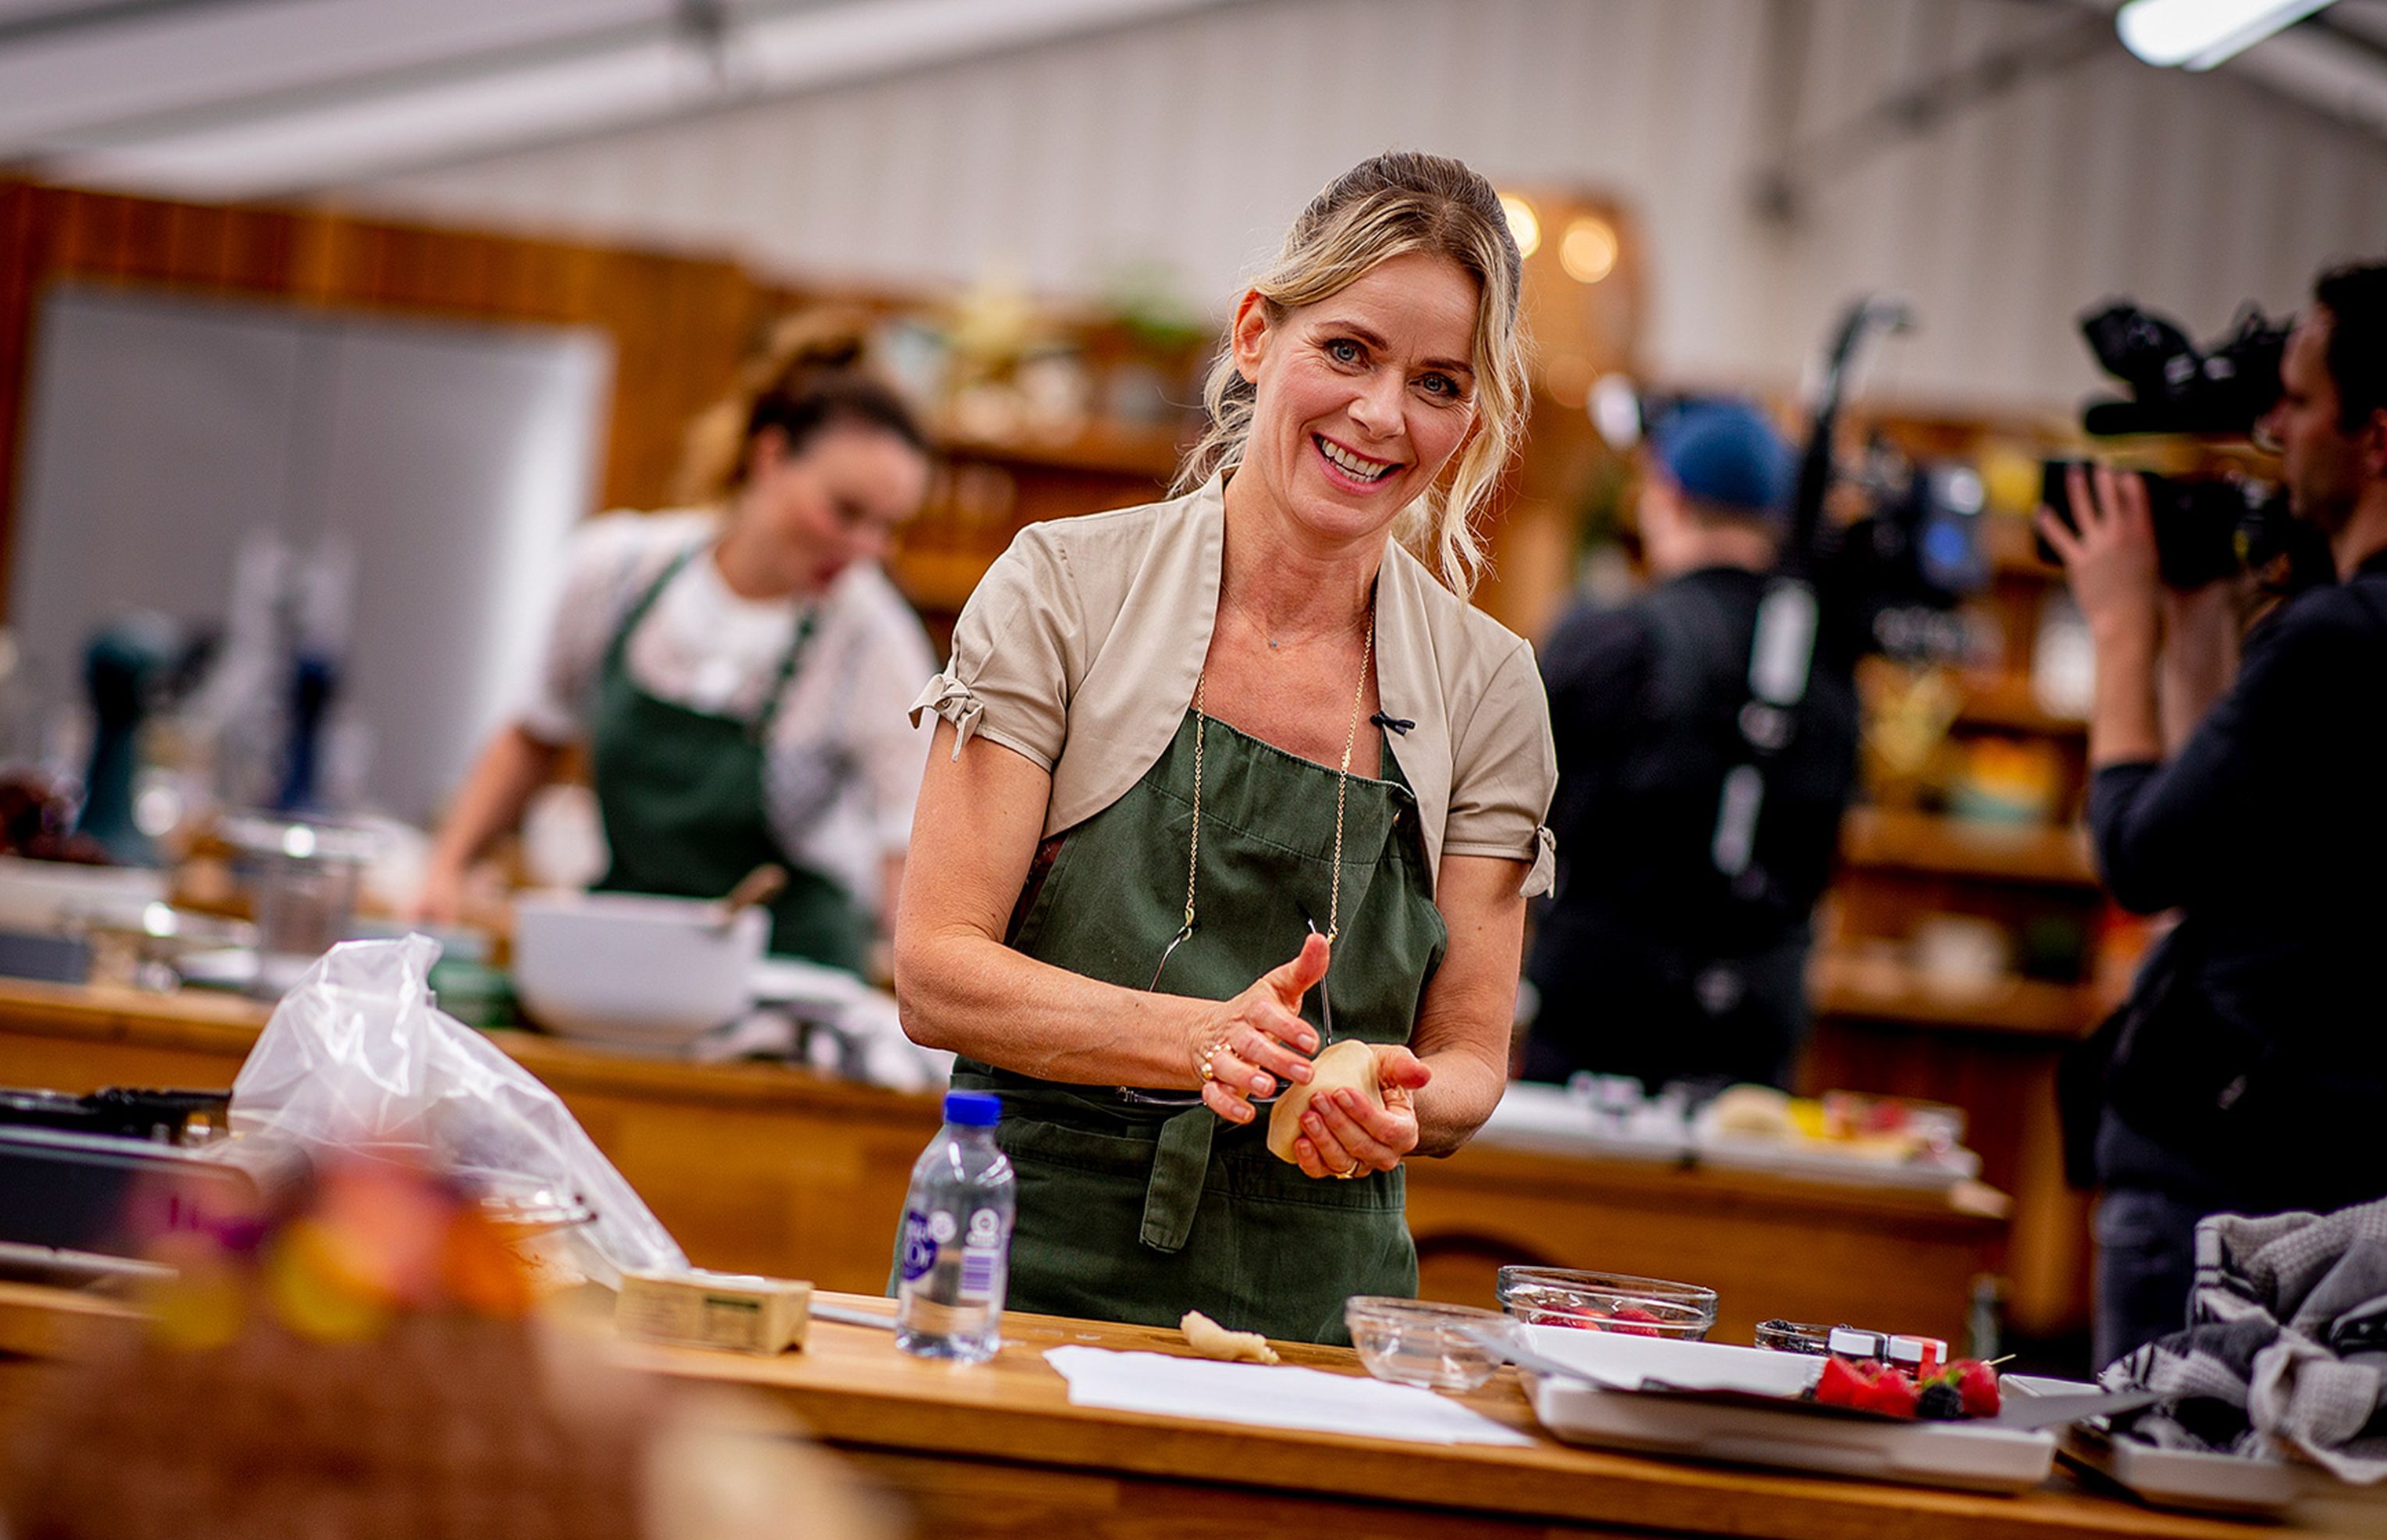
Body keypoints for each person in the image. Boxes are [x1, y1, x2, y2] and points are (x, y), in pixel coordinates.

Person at [893, 153, 1553, 1344]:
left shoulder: (1491, 689)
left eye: (1439, 382)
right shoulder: (1062, 591)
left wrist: (1404, 1104)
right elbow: (936, 969)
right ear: (1258, 333)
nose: (1381, 415)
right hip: (1033, 1277)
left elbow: (1468, 1057)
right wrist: (1196, 1035)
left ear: (1473, 419)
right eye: (1347, 350)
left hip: (1325, 1306)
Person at [2037, 258, 2387, 1367]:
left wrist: (2120, 631)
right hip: (2348, 1175)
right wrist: (2200, 631)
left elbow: (2143, 855)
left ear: (2378, 438)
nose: (2272, 429)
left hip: (2225, 1174)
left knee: (2163, 1501)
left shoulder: (2343, 634)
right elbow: (2232, 843)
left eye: (2297, 403)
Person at [418, 319, 935, 972]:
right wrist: (446, 868)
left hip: (785, 975)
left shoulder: (873, 641)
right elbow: (534, 737)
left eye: (888, 527)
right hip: (624, 948)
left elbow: (908, 846)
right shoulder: (616, 574)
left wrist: (918, 983)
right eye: (847, 511)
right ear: (770, 458)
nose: (867, 549)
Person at [1521, 400, 1855, 1092]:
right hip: (1757, 1029)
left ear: (1665, 498)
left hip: (1598, 1026)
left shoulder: (1611, 640)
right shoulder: (1829, 668)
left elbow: (1517, 824)